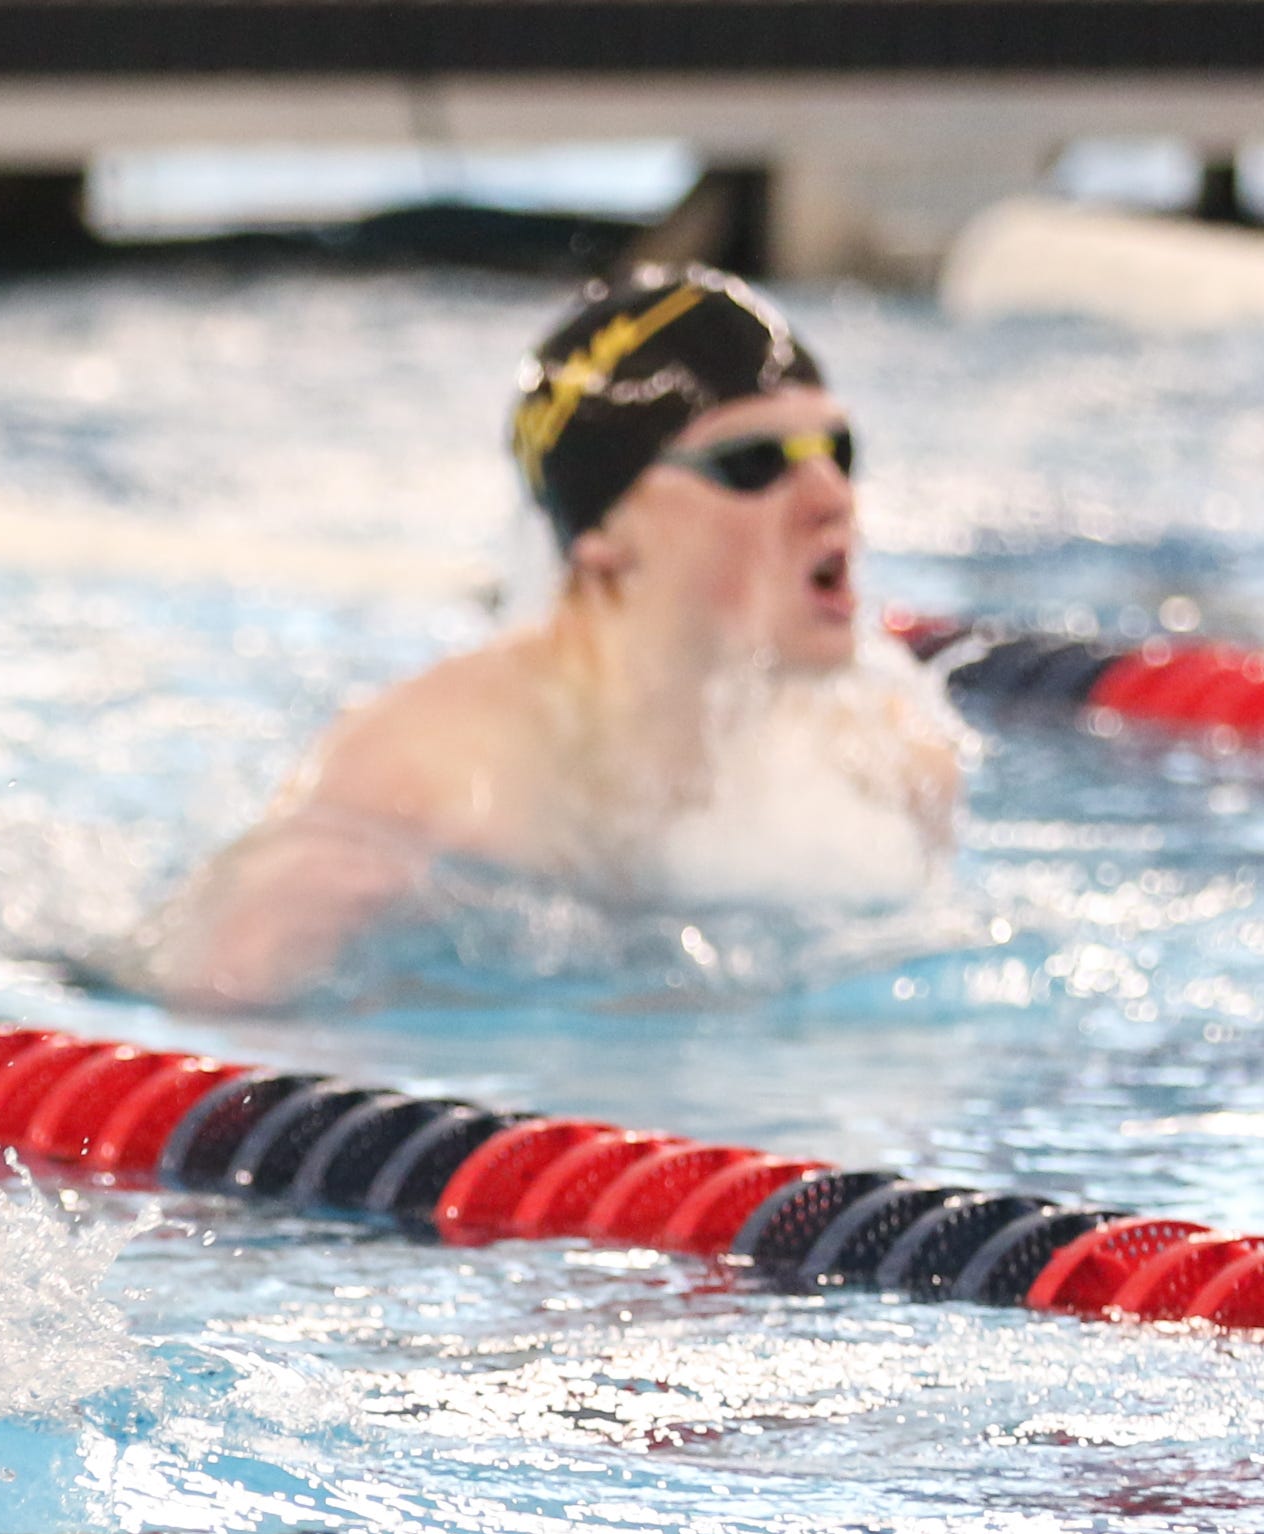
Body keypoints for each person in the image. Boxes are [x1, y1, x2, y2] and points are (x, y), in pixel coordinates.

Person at [137, 263, 966, 1010]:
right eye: (754, 464)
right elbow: (218, 997)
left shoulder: (891, 766)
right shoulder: (431, 775)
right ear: (601, 532)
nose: (832, 499)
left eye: (837, 450)